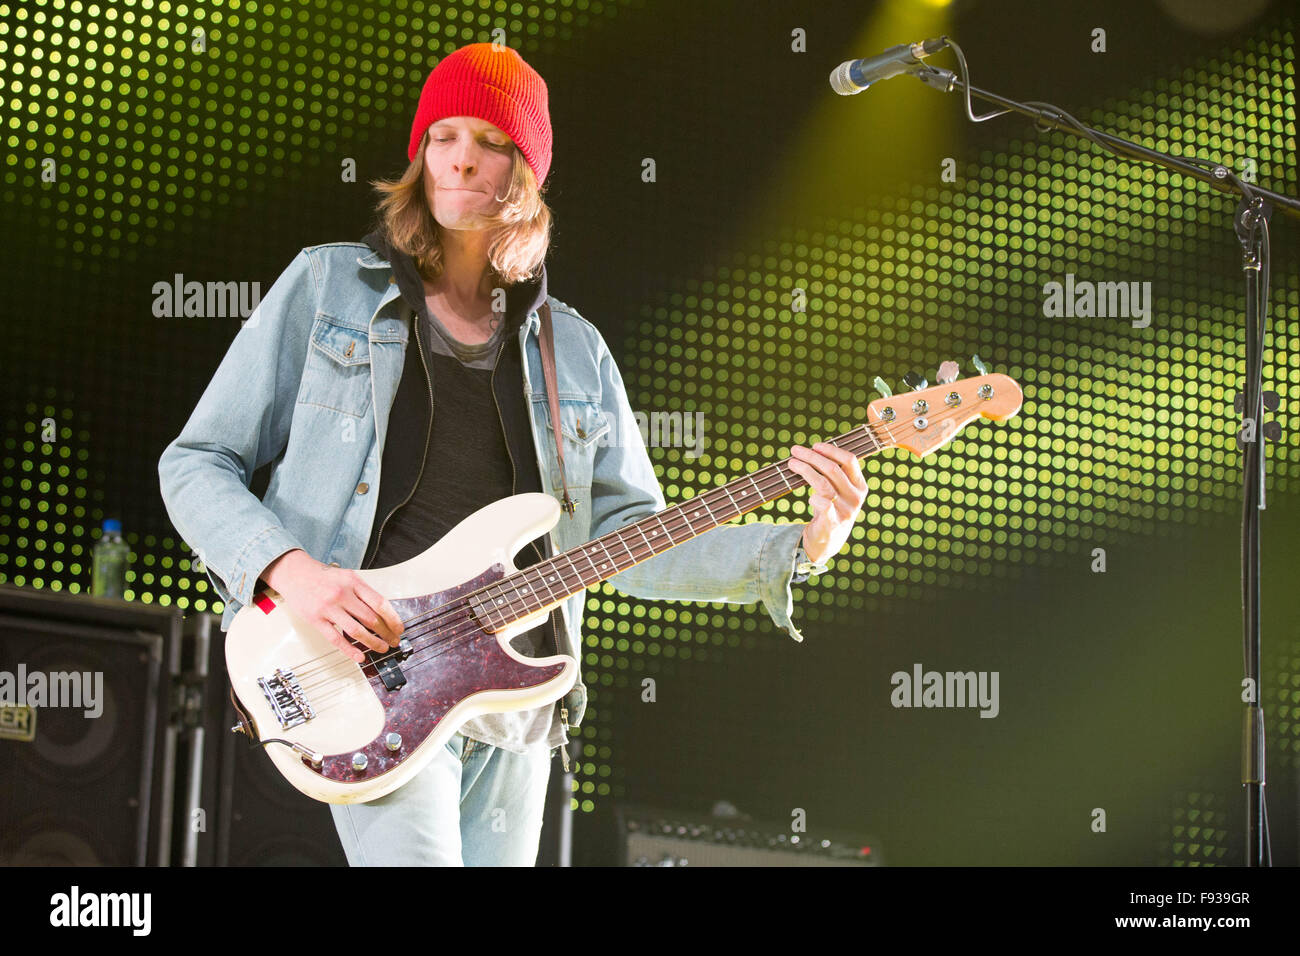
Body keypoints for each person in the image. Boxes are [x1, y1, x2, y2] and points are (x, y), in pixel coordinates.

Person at [158, 42, 868, 866]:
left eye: (490, 140)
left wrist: (803, 544)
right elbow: (196, 460)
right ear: (420, 156)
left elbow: (635, 539)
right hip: (379, 679)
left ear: (526, 172)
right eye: (443, 136)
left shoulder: (576, 349)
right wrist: (296, 575)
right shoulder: (329, 288)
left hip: (516, 701)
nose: (461, 158)